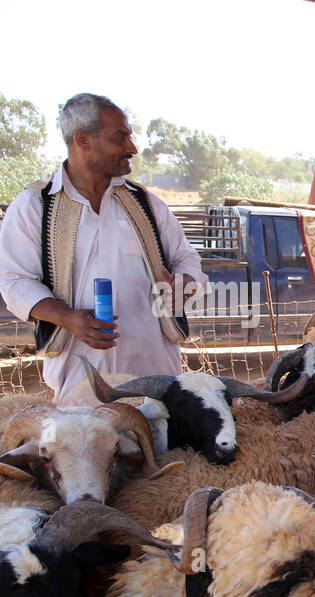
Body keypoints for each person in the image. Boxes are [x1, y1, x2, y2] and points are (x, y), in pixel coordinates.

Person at [0, 93, 205, 401]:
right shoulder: (34, 206)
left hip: (158, 380)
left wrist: (184, 285)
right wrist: (68, 318)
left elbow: (185, 257)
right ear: (83, 139)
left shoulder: (144, 203)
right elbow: (14, 281)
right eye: (119, 137)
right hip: (81, 386)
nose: (131, 148)